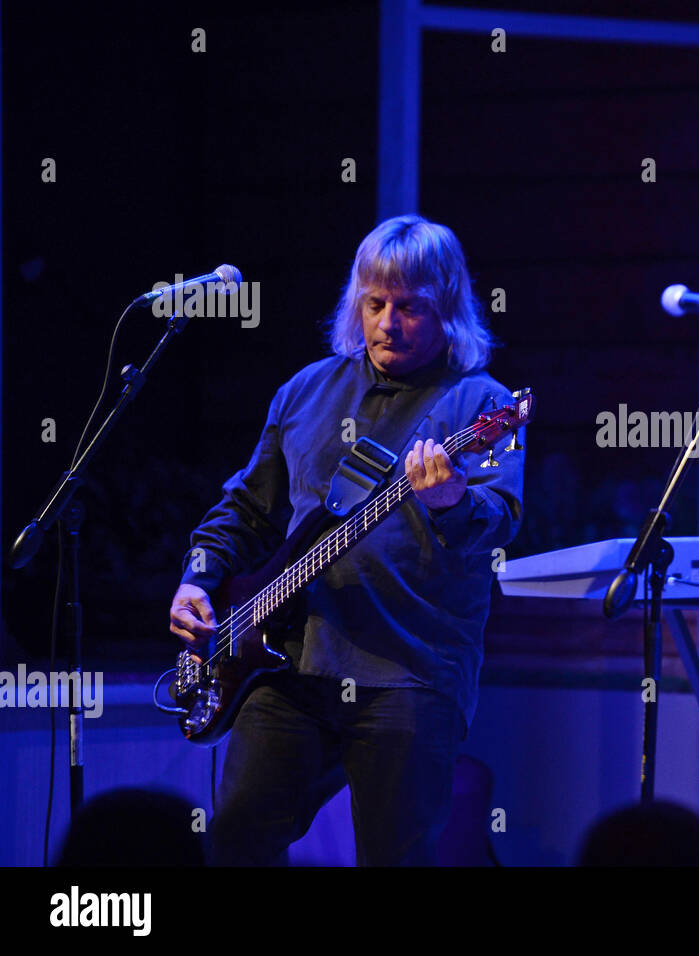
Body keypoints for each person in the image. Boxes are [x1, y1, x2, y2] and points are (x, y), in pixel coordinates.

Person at [168, 215, 524, 865]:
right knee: (234, 839)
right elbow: (245, 509)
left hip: (410, 676)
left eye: (411, 307)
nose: (388, 322)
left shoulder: (483, 405)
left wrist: (451, 499)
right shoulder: (304, 392)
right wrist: (197, 574)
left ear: (448, 308)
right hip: (287, 669)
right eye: (375, 303)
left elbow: (499, 522)